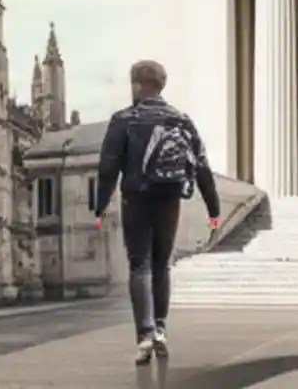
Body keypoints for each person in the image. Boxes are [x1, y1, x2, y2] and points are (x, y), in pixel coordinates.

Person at [93, 60, 221, 366]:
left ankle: (145, 335)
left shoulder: (123, 120)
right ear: (161, 85)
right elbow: (202, 166)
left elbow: (108, 168)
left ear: (137, 84)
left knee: (140, 266)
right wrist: (213, 208)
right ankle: (161, 329)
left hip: (135, 199)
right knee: (162, 264)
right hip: (169, 199)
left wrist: (99, 206)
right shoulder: (181, 120)